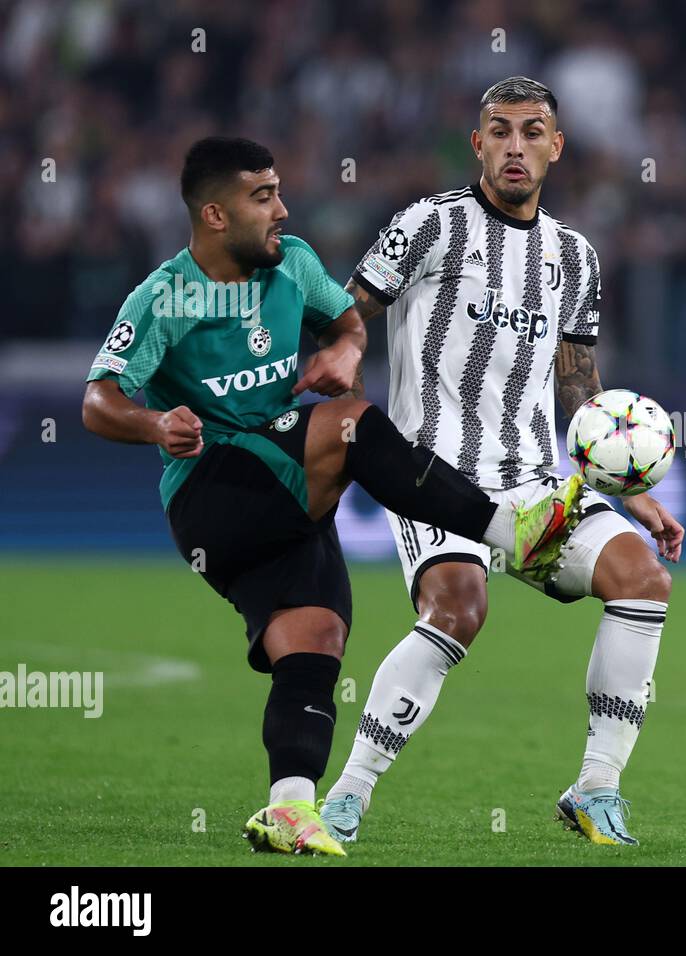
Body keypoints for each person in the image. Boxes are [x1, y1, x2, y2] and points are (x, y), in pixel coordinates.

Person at [82, 136, 583, 857]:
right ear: (216, 214)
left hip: (287, 505)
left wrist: (346, 347)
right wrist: (155, 422)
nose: (283, 209)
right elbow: (98, 401)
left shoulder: (296, 267)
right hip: (215, 494)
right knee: (352, 424)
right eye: (264, 199)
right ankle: (512, 529)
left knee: (313, 644)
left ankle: (289, 807)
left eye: (280, 191)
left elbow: (347, 322)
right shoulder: (166, 296)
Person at [318, 77, 684, 847]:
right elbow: (344, 324)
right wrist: (352, 435)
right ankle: (348, 794)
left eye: (532, 131)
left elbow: (579, 388)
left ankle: (595, 788)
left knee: (643, 580)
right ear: (477, 142)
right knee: (458, 609)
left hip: (533, 480)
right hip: (433, 477)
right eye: (500, 130)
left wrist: (631, 490)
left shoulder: (575, 257)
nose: (516, 145)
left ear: (557, 147)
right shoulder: (427, 225)